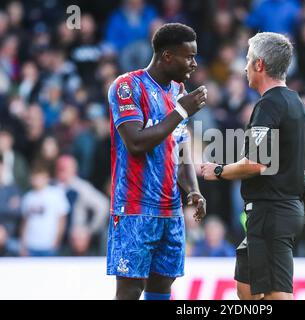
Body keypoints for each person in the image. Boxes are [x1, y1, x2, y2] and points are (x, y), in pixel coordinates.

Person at [201, 32, 305, 300]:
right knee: (246, 291)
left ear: (260, 65)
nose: (244, 67)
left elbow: (256, 164)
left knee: (277, 295)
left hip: (273, 212)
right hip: (275, 211)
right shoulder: (297, 104)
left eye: (248, 60)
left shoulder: (269, 105)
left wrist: (218, 171)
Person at [107, 23, 207, 300]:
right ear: (166, 56)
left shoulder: (178, 90)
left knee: (163, 286)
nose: (194, 63)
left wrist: (194, 190)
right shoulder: (127, 86)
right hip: (135, 207)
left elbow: (181, 145)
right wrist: (181, 110)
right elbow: (136, 142)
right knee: (130, 289)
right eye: (189, 56)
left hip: (171, 210)